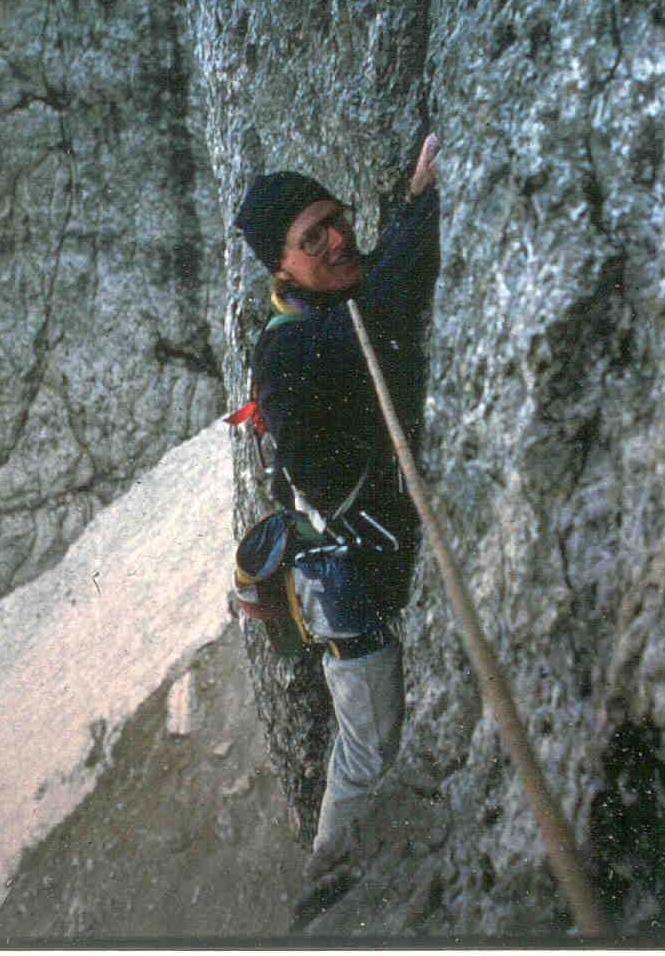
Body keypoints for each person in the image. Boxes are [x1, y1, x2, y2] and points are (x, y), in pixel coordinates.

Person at [234, 133, 440, 885]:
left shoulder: (324, 306)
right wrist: (435, 204)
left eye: (337, 218)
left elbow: (369, 276)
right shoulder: (286, 351)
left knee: (369, 740)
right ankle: (328, 894)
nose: (336, 238)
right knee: (367, 746)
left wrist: (411, 202)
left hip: (359, 564)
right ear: (279, 266)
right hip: (352, 587)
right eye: (311, 236)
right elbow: (385, 295)